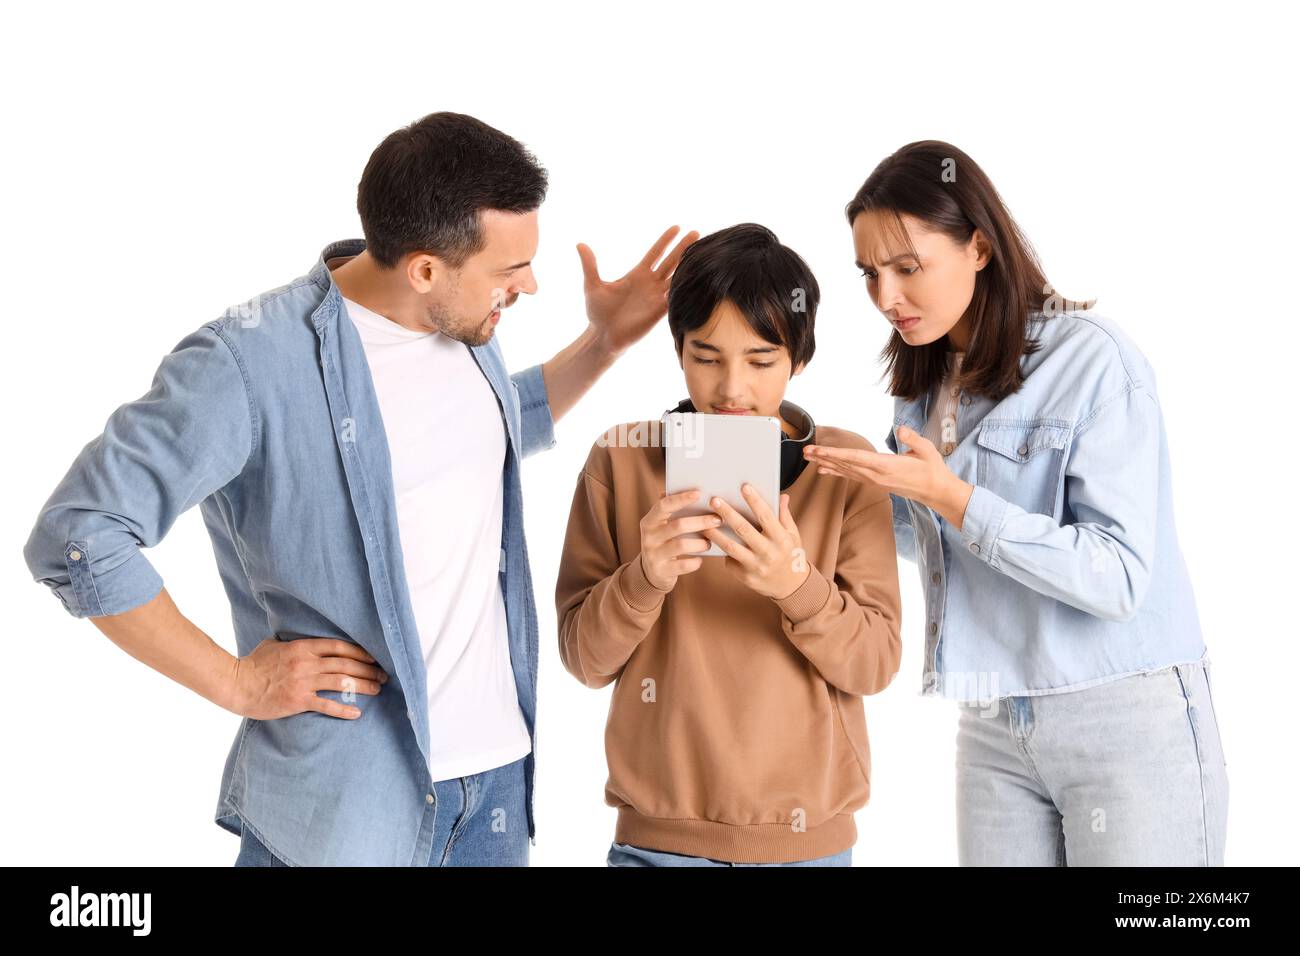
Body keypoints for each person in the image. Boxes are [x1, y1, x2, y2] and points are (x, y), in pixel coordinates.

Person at [23, 111, 697, 866]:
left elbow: (482, 431)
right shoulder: (247, 361)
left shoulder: (461, 323)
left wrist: (604, 342)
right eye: (510, 271)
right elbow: (79, 533)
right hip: (350, 810)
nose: (530, 286)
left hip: (495, 788)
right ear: (425, 270)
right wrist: (236, 683)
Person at [806, 140, 1227, 865]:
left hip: (1126, 719)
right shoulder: (922, 388)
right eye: (870, 273)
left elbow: (1118, 576)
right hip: (995, 723)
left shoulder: (1093, 360)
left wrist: (954, 496)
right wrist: (826, 487)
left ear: (978, 247)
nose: (886, 297)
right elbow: (926, 533)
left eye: (908, 268)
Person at [555, 223, 903, 866]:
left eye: (761, 360)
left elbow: (876, 664)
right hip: (657, 844)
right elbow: (583, 660)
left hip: (808, 848)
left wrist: (797, 587)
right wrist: (644, 578)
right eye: (706, 357)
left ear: (799, 359)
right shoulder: (621, 458)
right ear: (679, 352)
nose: (732, 390)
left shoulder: (847, 467)